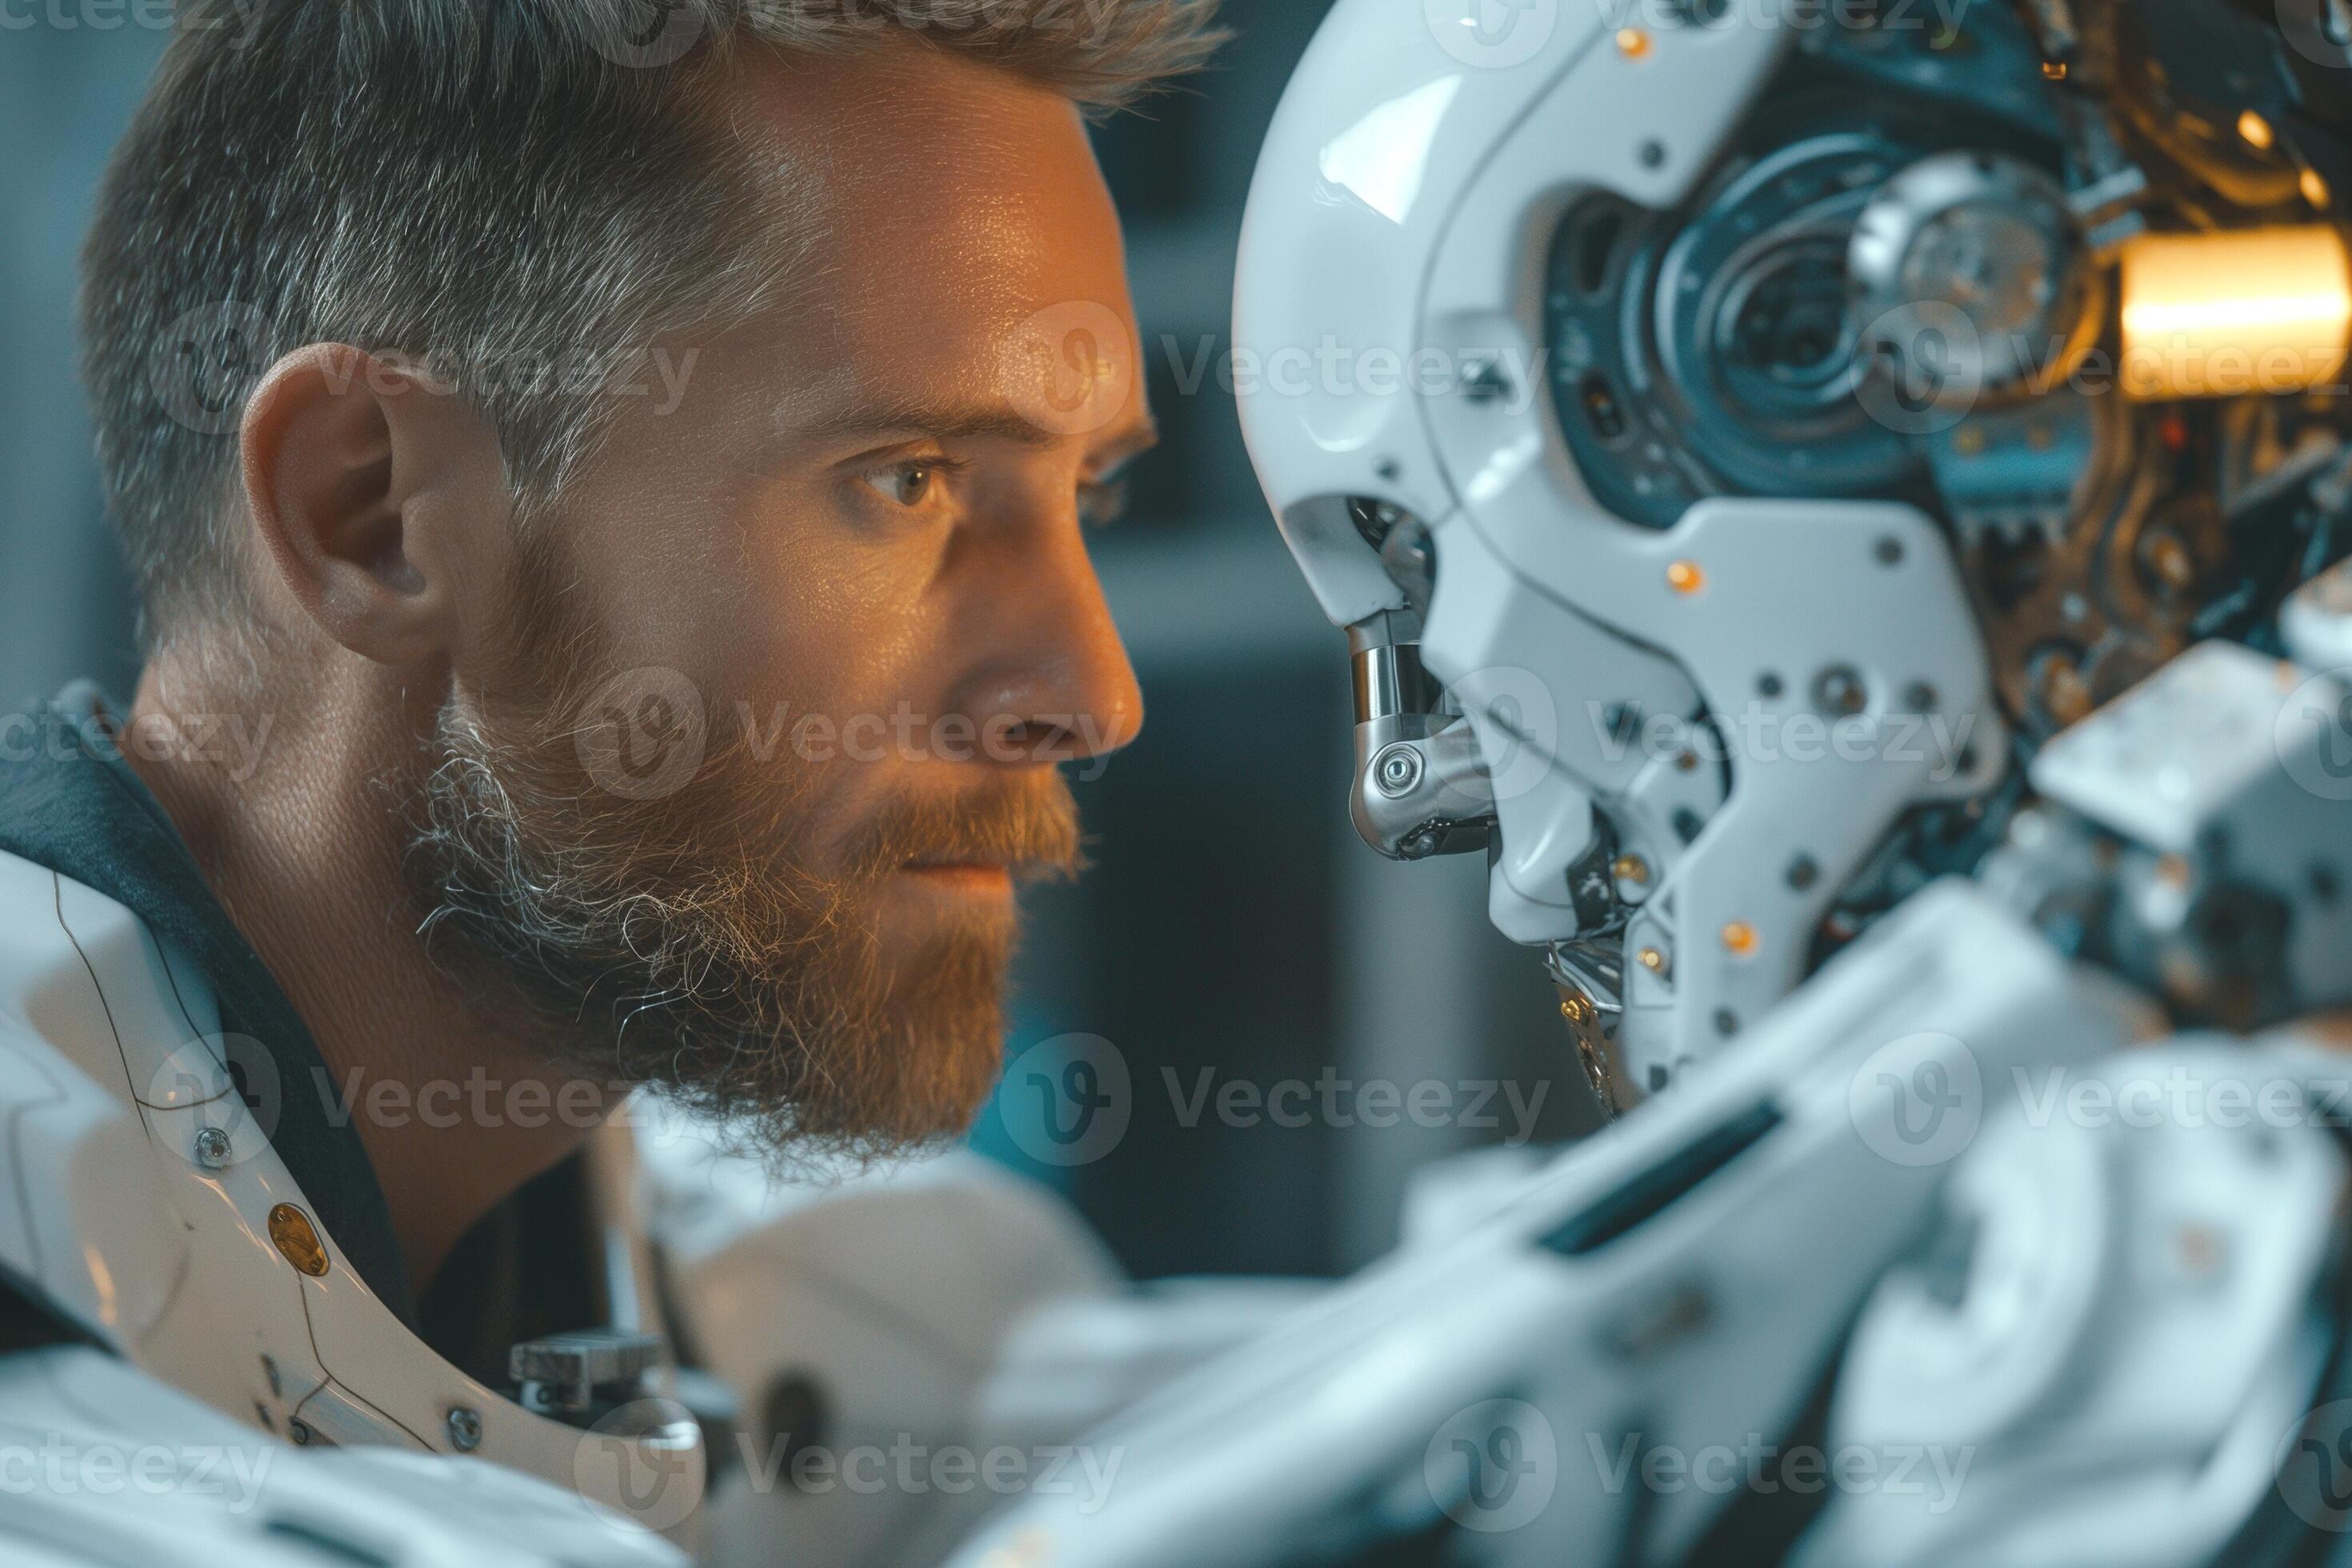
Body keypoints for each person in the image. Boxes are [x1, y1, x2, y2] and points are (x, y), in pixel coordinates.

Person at [0, 0, 1227, 1557]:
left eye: (1087, 495)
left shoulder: (764, 1274)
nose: (1090, 694)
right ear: (374, 513)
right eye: (907, 481)